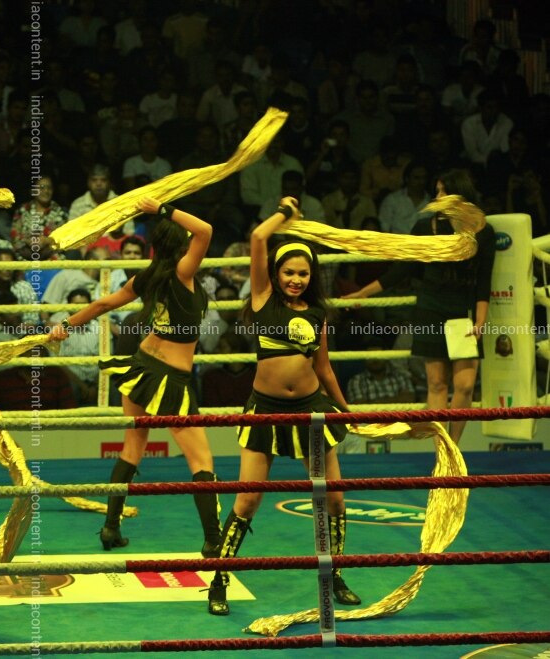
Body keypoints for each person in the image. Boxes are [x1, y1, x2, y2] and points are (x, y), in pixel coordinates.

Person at [50, 197, 223, 615]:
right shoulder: (183, 272)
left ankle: (110, 526)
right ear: (180, 246)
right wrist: (162, 208)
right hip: (171, 379)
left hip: (143, 368)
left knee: (133, 447)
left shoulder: (149, 277)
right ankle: (214, 551)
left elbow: (103, 305)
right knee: (201, 463)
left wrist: (65, 326)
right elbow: (207, 231)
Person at [211, 197, 360, 616]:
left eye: (303, 273)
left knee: (334, 499)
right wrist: (285, 212)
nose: (295, 278)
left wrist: (347, 411)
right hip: (266, 413)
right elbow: (259, 236)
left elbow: (326, 369)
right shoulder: (262, 299)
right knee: (247, 502)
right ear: (275, 274)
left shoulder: (316, 314)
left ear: (312, 277)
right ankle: (219, 580)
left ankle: (337, 575)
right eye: (289, 271)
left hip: (312, 411)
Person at [343, 169, 496, 443]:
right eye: (436, 191)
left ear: (459, 197)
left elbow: (484, 280)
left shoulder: (484, 232)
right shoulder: (426, 228)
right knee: (437, 383)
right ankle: (442, 451)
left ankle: (454, 445)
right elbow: (401, 270)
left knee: (465, 385)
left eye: (441, 191)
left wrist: (481, 321)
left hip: (463, 313)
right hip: (432, 308)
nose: (436, 197)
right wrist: (363, 293)